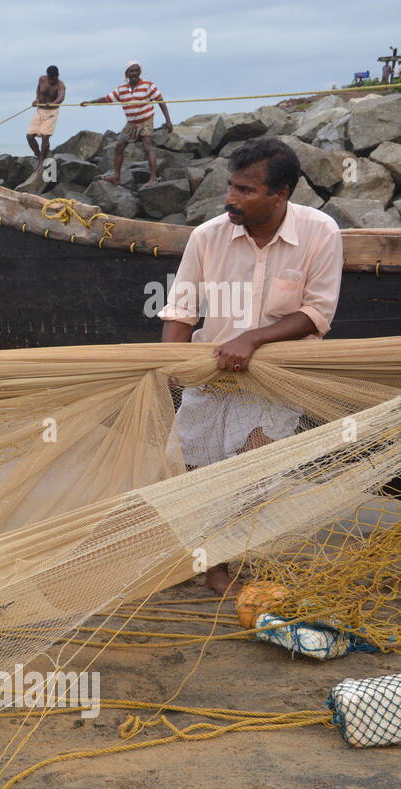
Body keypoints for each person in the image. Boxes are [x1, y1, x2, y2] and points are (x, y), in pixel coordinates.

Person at [159, 137, 343, 595]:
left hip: (278, 376)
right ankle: (207, 554)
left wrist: (253, 338)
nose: (231, 199)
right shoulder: (207, 237)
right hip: (212, 373)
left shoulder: (321, 233)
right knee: (198, 469)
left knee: (255, 465)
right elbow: (181, 310)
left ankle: (220, 561)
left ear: (281, 195)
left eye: (246, 190)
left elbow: (317, 313)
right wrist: (172, 364)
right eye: (230, 187)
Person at [80, 61, 173, 187]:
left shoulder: (148, 85)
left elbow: (160, 101)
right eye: (132, 71)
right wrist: (89, 102)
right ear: (127, 74)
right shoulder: (122, 89)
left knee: (147, 146)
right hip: (132, 123)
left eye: (137, 70)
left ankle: (153, 178)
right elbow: (106, 99)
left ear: (139, 72)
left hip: (146, 119)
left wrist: (168, 120)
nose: (134, 73)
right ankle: (116, 177)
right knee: (119, 146)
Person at [26, 66, 66, 164]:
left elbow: (61, 97)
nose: (52, 81)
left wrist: (54, 103)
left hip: (51, 112)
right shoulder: (42, 79)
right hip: (40, 110)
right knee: (29, 136)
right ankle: (39, 155)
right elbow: (38, 90)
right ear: (47, 76)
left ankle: (42, 161)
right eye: (50, 78)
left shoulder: (60, 85)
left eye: (54, 78)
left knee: (45, 136)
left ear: (57, 76)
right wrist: (37, 99)